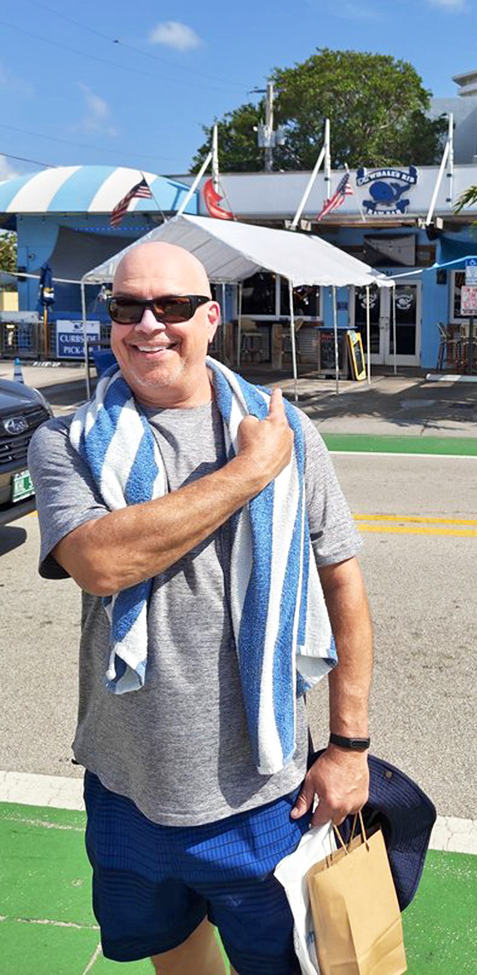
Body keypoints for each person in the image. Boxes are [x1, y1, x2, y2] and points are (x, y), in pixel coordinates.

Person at [28, 242, 373, 975]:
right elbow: (101, 562)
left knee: (290, 964)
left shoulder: (287, 433)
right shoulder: (66, 442)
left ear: (210, 318)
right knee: (175, 959)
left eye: (172, 306)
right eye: (128, 306)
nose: (148, 324)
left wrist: (348, 748)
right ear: (109, 320)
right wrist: (249, 473)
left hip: (267, 792)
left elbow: (342, 584)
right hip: (130, 787)